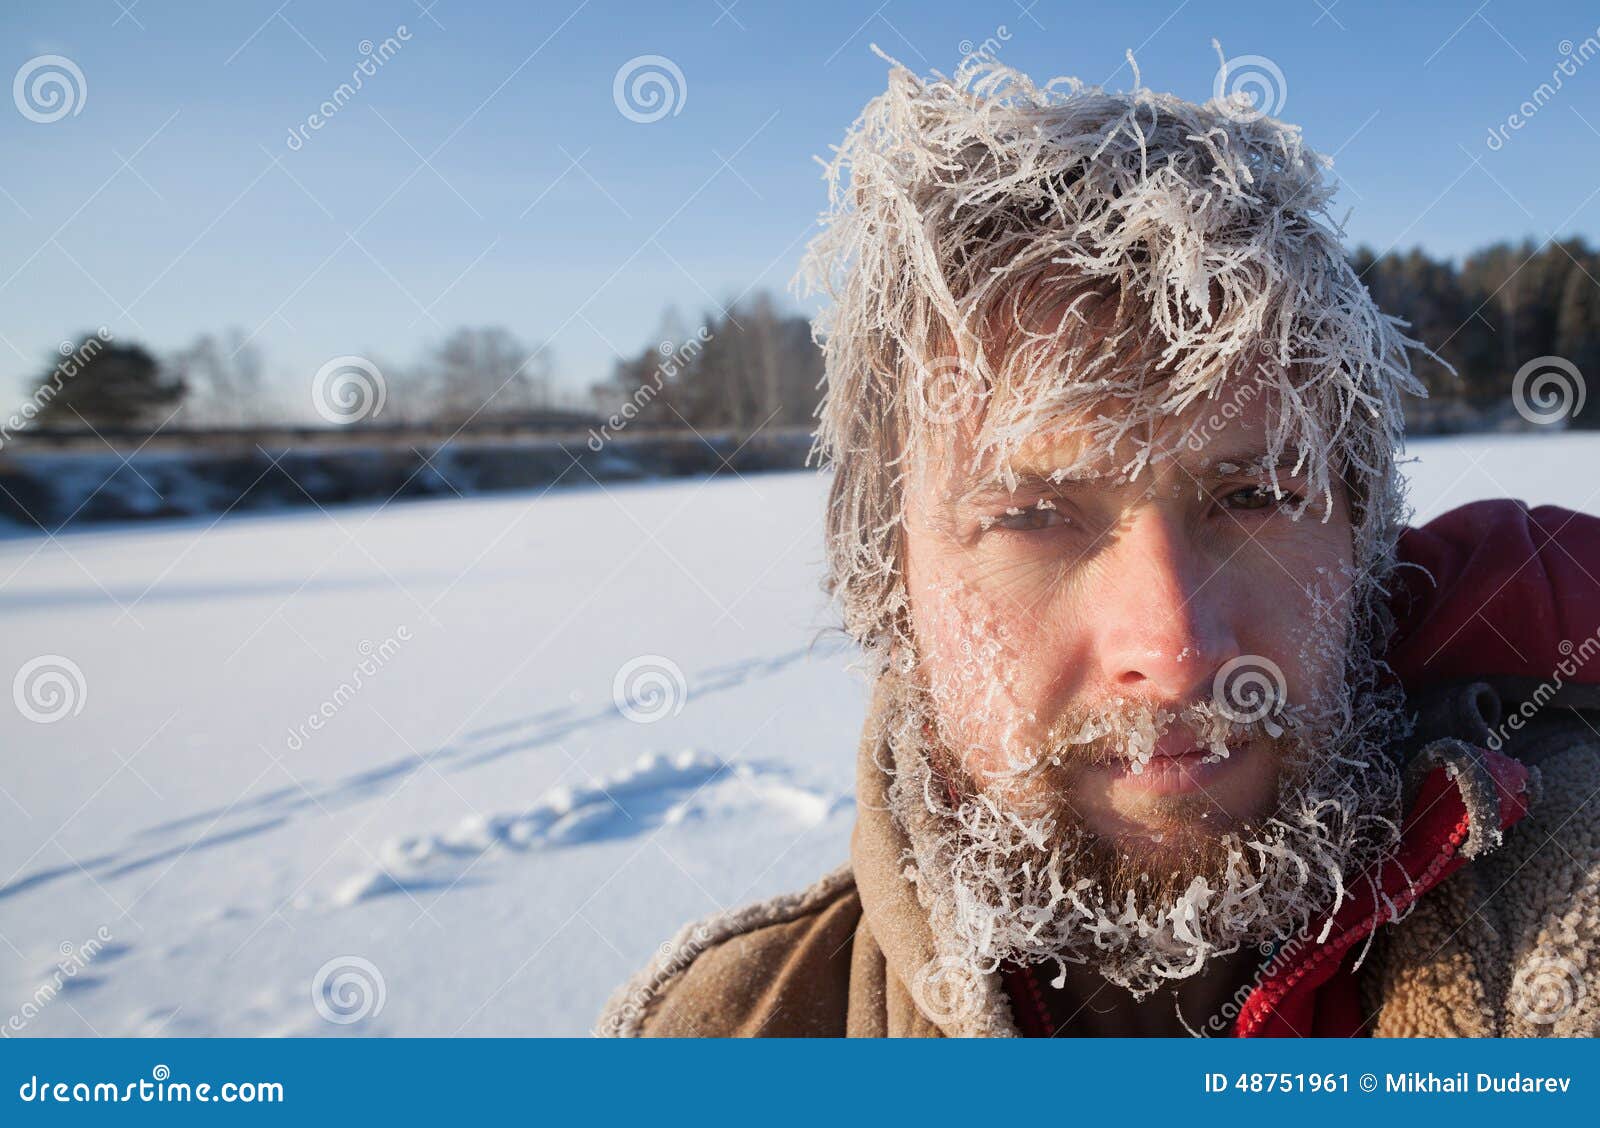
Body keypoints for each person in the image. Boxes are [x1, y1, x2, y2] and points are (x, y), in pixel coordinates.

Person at [597, 52, 1600, 1038]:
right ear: (890, 588)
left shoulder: (1566, 921)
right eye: (1032, 516)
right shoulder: (728, 1032)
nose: (1173, 653)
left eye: (1251, 495)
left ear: (1360, 546)